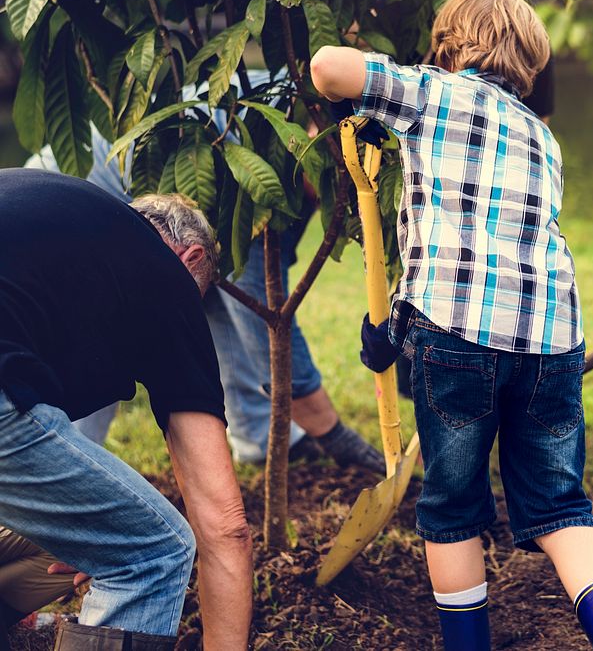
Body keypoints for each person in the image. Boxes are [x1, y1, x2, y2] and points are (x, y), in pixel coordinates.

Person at [311, 0, 593, 651]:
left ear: (451, 43)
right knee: (560, 506)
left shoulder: (432, 93)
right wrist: (399, 332)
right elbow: (490, 244)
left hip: (458, 336)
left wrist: (396, 332)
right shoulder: (542, 138)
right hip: (553, 338)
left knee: (453, 507)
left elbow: (326, 68)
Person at [29, 72, 384, 474]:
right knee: (110, 334)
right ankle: (67, 464)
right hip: (82, 189)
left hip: (144, 205)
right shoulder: (265, 144)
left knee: (213, 291)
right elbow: (263, 314)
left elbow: (241, 289)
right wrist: (334, 434)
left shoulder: (303, 108)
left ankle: (254, 434)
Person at [0, 169, 252, 649]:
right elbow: (227, 526)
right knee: (153, 550)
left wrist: (98, 531)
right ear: (191, 258)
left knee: (100, 527)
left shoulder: (59, 220)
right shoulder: (163, 276)